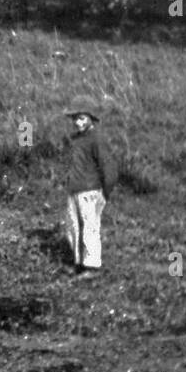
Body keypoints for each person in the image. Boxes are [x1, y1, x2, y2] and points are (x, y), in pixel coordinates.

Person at [61, 98, 118, 280]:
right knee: (73, 228)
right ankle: (78, 263)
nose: (78, 122)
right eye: (76, 118)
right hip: (74, 189)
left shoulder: (97, 139)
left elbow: (109, 167)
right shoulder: (75, 139)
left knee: (89, 227)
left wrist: (105, 192)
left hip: (90, 191)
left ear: (91, 119)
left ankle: (91, 267)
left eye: (82, 118)